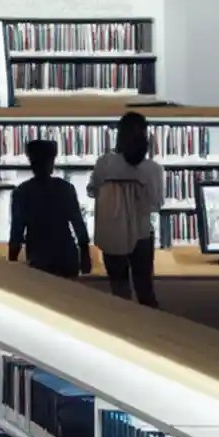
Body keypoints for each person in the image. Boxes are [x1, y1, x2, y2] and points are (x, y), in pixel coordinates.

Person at [88, 112, 164, 308]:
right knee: (145, 289)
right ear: (145, 136)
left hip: (112, 234)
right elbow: (156, 203)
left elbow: (92, 191)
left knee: (119, 289)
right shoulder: (153, 169)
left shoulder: (104, 164)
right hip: (141, 234)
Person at [8, 139, 92, 279]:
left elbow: (16, 232)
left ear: (32, 163)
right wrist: (85, 255)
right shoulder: (65, 189)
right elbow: (78, 225)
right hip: (66, 255)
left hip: (38, 257)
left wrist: (11, 264)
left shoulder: (21, 192)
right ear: (51, 162)